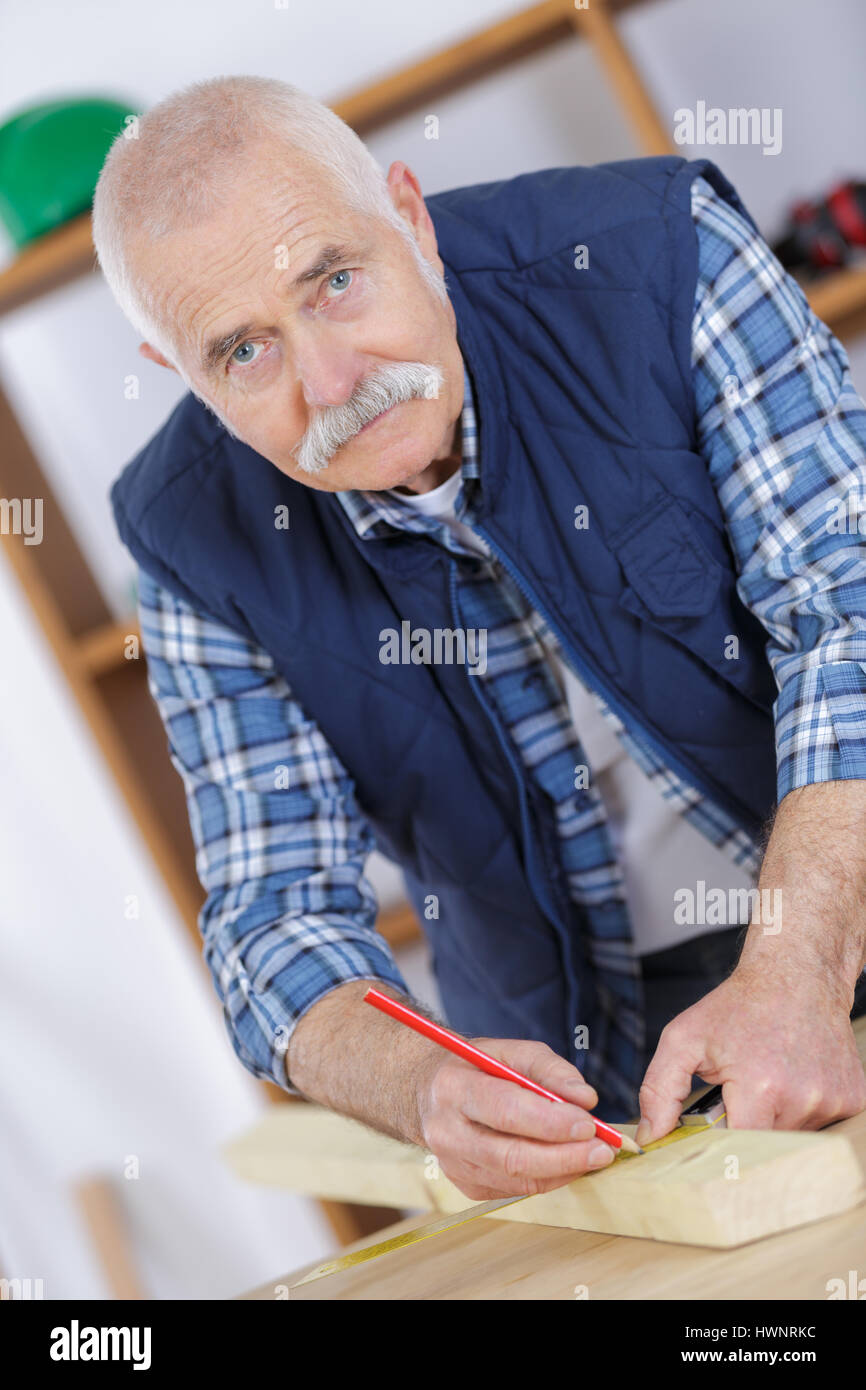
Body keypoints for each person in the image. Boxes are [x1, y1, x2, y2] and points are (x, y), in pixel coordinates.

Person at [95, 76, 866, 1202]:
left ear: (410, 215)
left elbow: (845, 614)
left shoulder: (658, 255)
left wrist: (795, 968)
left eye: (336, 282)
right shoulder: (186, 536)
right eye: (242, 354)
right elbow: (273, 913)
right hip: (591, 1074)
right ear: (181, 376)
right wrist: (420, 1086)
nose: (330, 381)